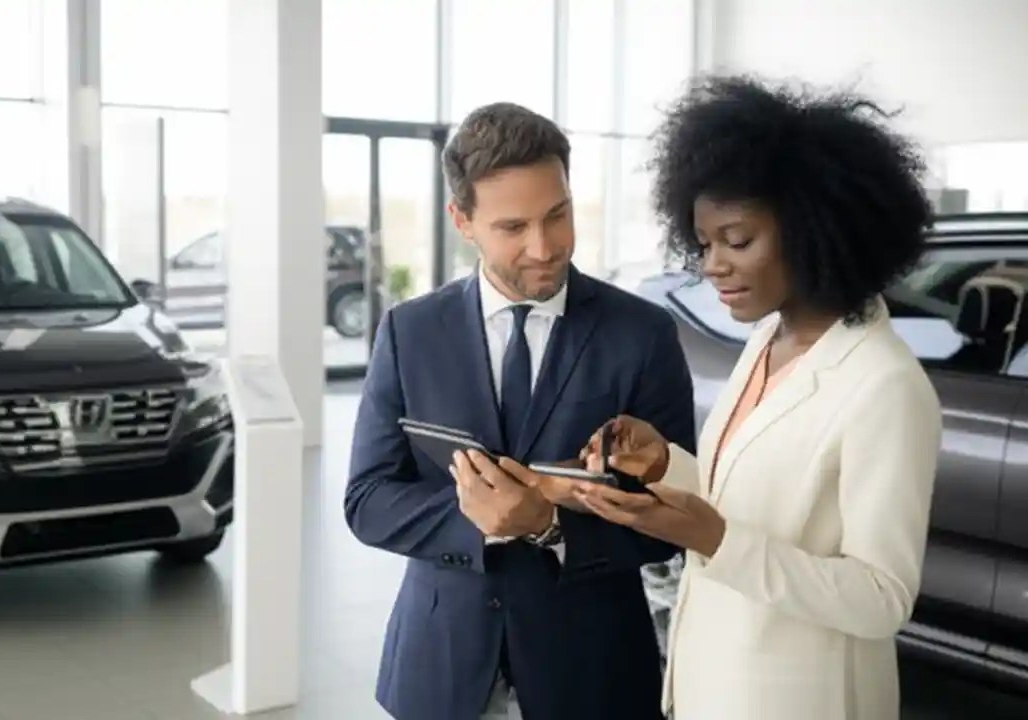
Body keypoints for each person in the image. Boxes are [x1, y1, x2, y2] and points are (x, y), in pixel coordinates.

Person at [567, 76, 943, 720]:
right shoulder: (769, 337)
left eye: (737, 241)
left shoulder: (886, 387)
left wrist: (716, 539)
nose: (713, 264)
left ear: (815, 230)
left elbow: (882, 598)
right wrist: (665, 467)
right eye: (706, 243)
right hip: (717, 683)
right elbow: (744, 500)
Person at [345, 101, 696, 720]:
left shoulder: (643, 333)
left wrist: (549, 526)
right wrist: (483, 519)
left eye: (557, 215)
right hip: (442, 668)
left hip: (593, 671)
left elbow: (671, 519)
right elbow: (367, 498)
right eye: (513, 228)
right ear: (463, 220)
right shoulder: (409, 332)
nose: (544, 246)